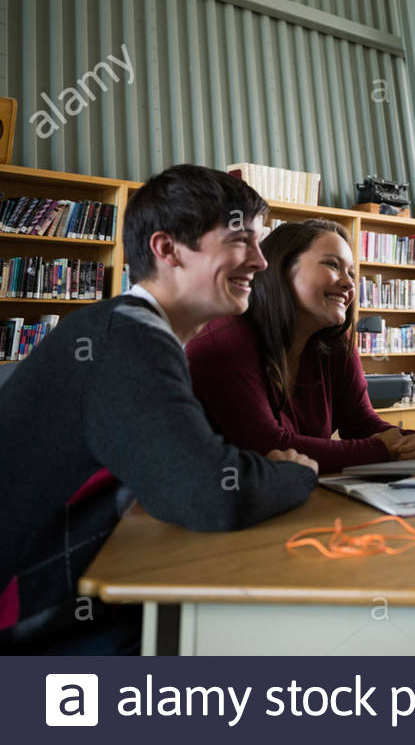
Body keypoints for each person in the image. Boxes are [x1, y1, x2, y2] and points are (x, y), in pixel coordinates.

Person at [0, 165, 319, 653]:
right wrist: (295, 473)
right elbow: (208, 494)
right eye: (241, 240)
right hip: (37, 634)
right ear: (166, 248)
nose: (259, 260)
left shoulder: (127, 329)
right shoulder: (127, 337)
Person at [187, 219, 415, 473]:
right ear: (281, 269)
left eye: (351, 273)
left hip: (290, 495)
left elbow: (361, 422)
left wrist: (407, 441)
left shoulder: (335, 342)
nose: (349, 284)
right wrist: (382, 449)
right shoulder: (225, 342)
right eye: (332, 264)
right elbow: (268, 448)